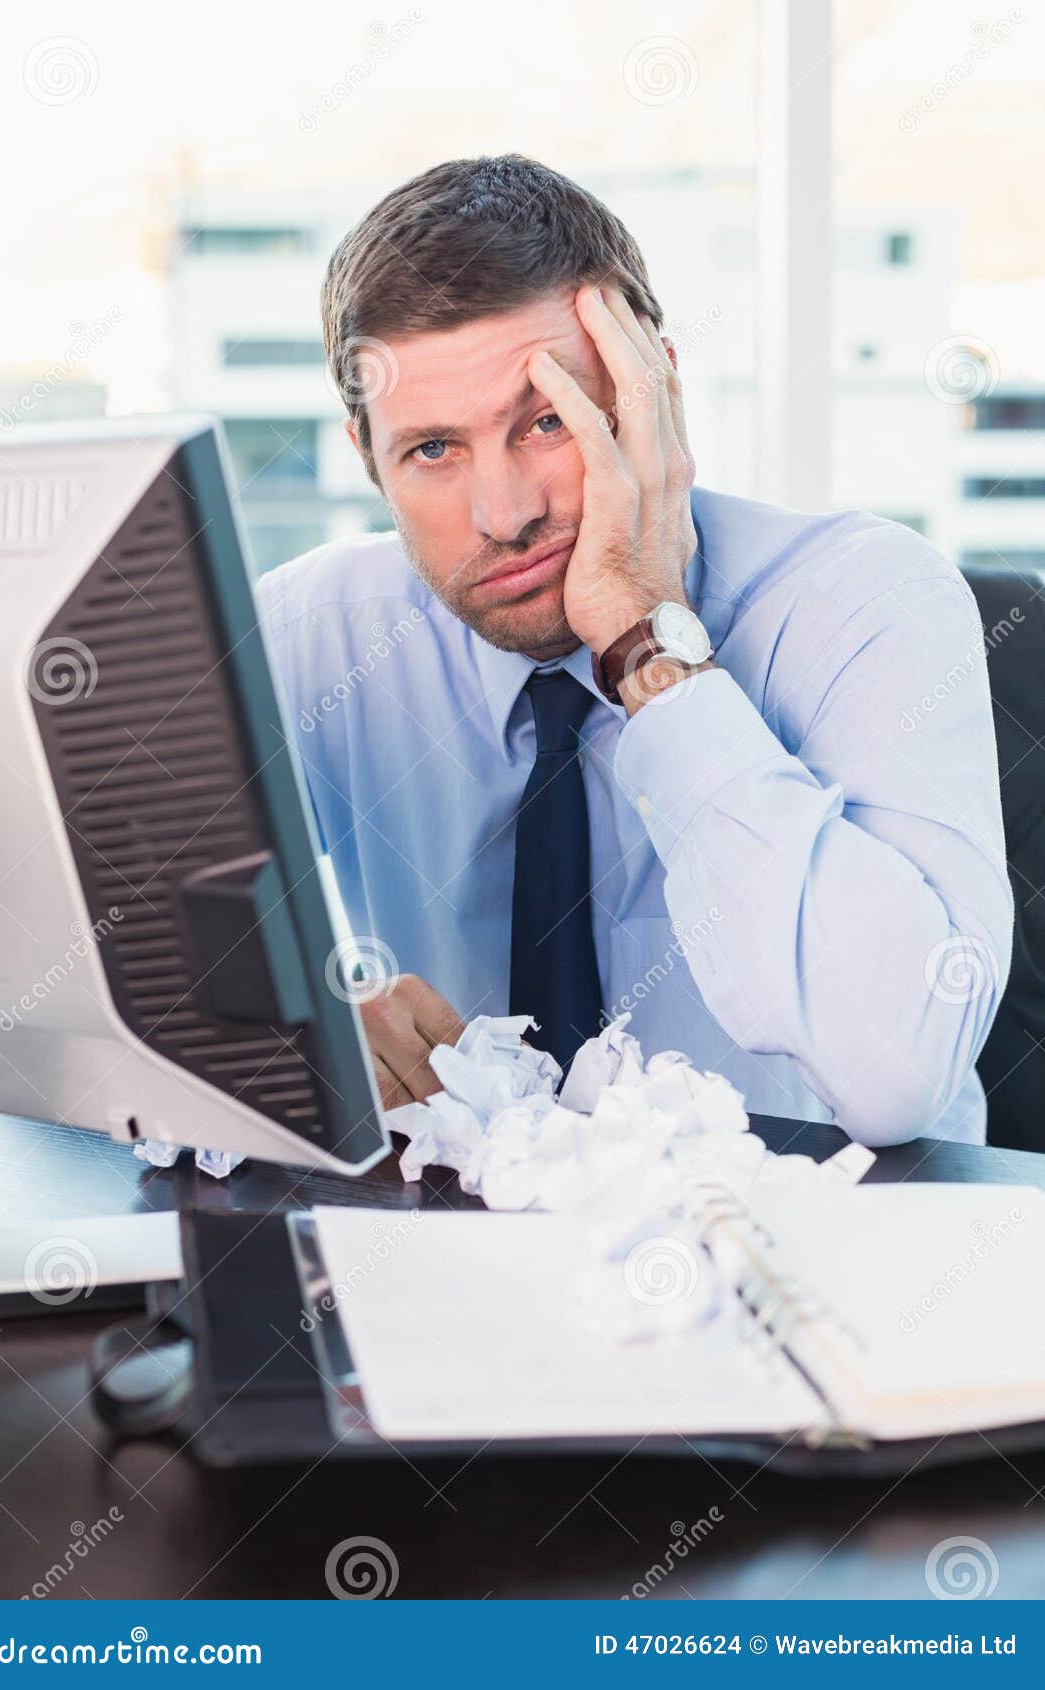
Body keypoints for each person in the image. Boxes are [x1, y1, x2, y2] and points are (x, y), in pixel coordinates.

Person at [255, 154, 1013, 1147]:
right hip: (459, 1271)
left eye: (545, 421)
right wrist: (277, 1046)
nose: (505, 512)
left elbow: (896, 1080)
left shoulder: (865, 602)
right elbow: (97, 995)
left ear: (652, 389)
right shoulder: (309, 638)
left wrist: (646, 643)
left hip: (821, 1263)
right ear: (369, 460)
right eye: (431, 450)